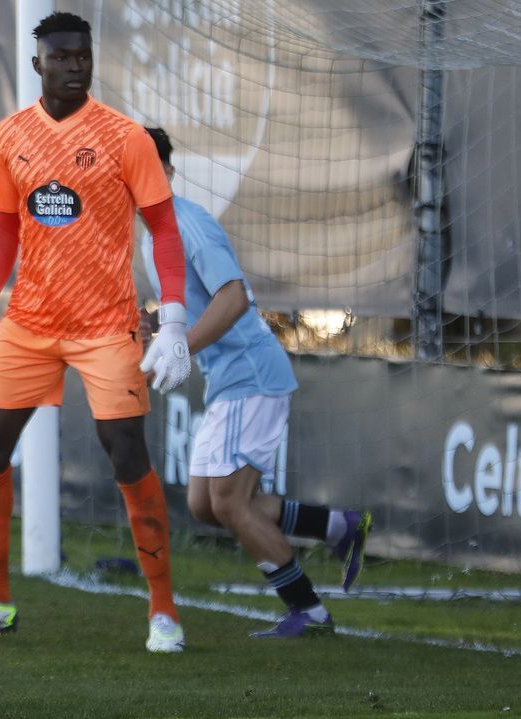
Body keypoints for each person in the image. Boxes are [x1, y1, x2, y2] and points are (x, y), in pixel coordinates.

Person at [0, 11, 192, 653]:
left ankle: (163, 610)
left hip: (107, 325)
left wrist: (173, 323)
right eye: (62, 57)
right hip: (27, 323)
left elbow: (163, 228)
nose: (75, 65)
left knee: (126, 450)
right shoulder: (9, 136)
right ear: (38, 64)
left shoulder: (125, 137)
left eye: (82, 55)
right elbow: (4, 228)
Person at [137, 126, 373, 638]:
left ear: (169, 173)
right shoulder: (151, 234)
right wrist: (157, 328)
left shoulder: (188, 224)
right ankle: (338, 527)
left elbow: (233, 299)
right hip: (230, 380)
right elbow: (195, 306)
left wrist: (180, 346)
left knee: (228, 502)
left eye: (149, 167)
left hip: (250, 375)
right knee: (205, 505)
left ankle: (308, 610)